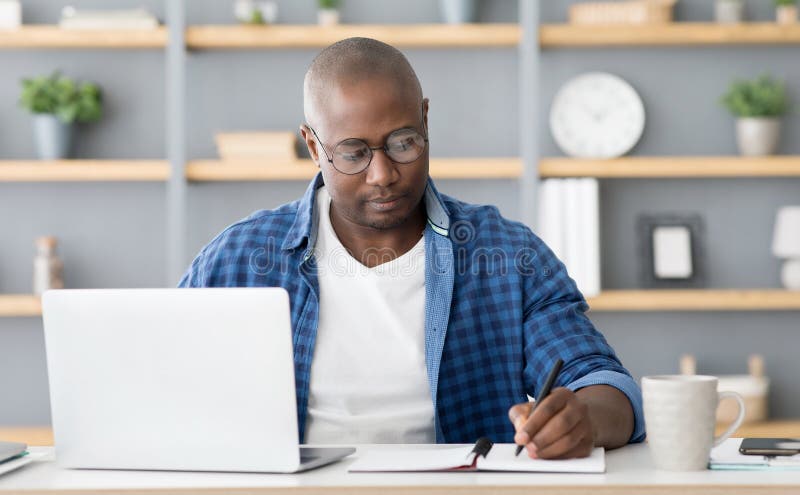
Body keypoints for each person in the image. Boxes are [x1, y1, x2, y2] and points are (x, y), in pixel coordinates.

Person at [179, 37, 645, 459]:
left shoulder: (507, 255)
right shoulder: (236, 259)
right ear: (313, 146)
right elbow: (162, 386)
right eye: (353, 153)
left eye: (403, 143)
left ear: (424, 119)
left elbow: (604, 384)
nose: (382, 174)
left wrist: (582, 418)